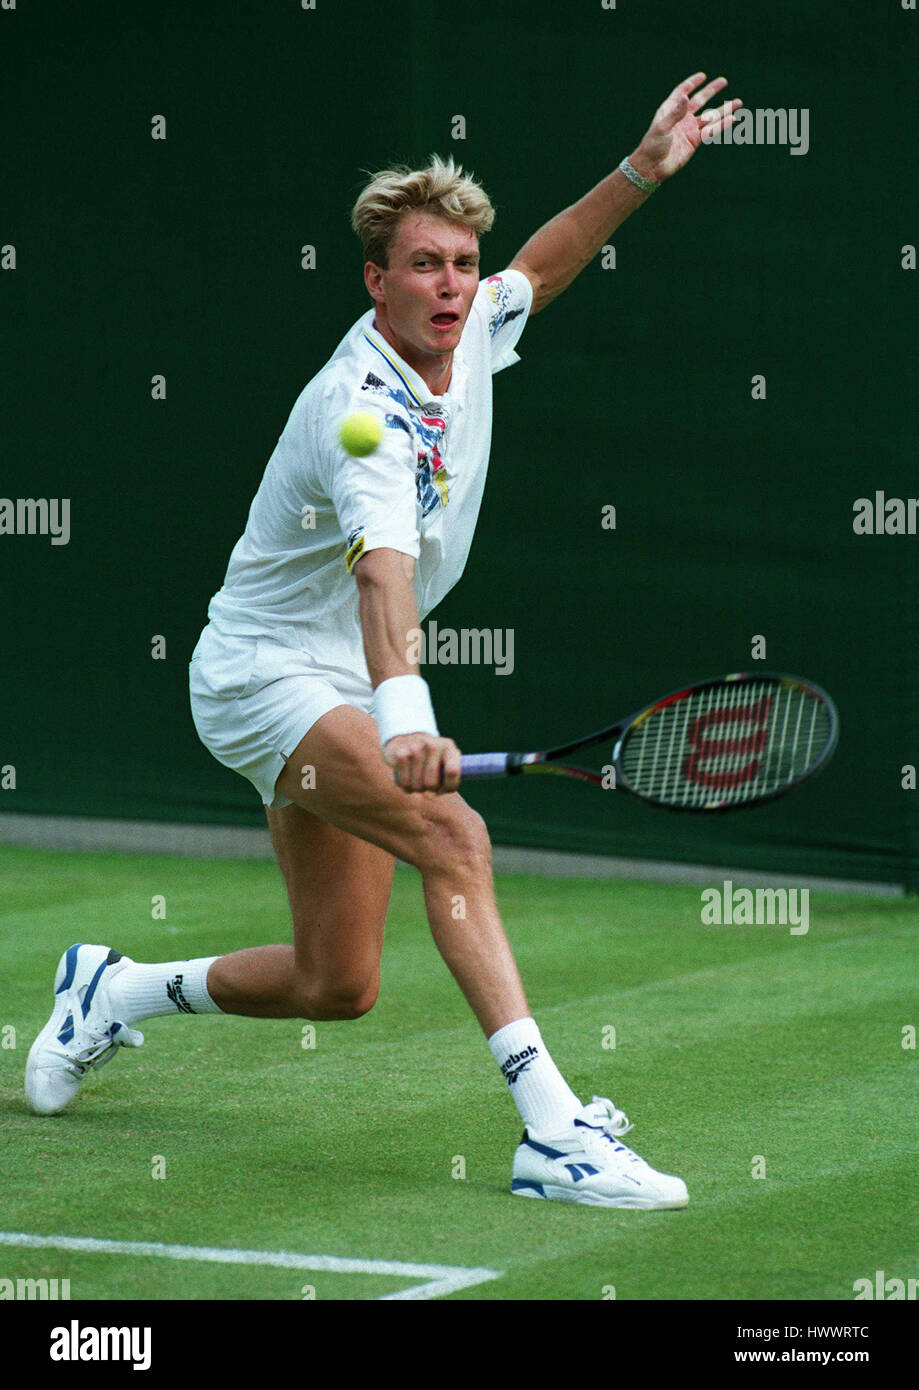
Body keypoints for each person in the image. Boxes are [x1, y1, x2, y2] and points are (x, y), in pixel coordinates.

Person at [27, 74, 739, 1209]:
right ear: (377, 281)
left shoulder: (476, 322)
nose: (452, 286)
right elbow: (385, 578)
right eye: (424, 266)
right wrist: (407, 719)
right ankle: (553, 1134)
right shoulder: (361, 408)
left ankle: (109, 992)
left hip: (339, 680)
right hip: (262, 680)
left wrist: (643, 167)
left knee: (335, 980)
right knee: (452, 836)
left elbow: (542, 267)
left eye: (461, 264)